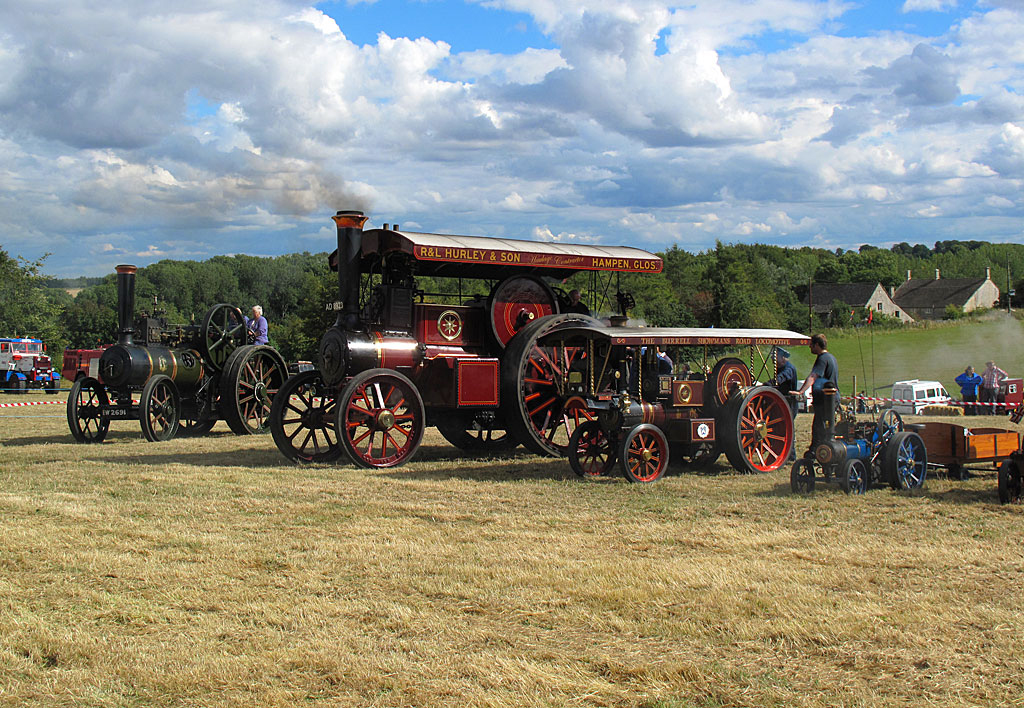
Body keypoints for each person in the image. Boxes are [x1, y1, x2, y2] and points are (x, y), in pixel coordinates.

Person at [795, 333, 839, 457]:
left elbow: (813, 376)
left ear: (817, 345)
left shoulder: (822, 359)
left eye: (812, 345)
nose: (810, 348)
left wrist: (801, 391)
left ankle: (817, 451)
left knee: (818, 427)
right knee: (827, 426)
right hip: (832, 398)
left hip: (825, 399)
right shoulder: (832, 357)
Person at [770, 347, 798, 461]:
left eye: (775, 358)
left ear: (782, 357)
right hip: (781, 402)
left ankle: (790, 455)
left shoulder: (788, 369)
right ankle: (782, 453)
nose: (773, 361)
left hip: (789, 403)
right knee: (780, 428)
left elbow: (780, 379)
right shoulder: (781, 368)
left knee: (787, 428)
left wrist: (768, 384)